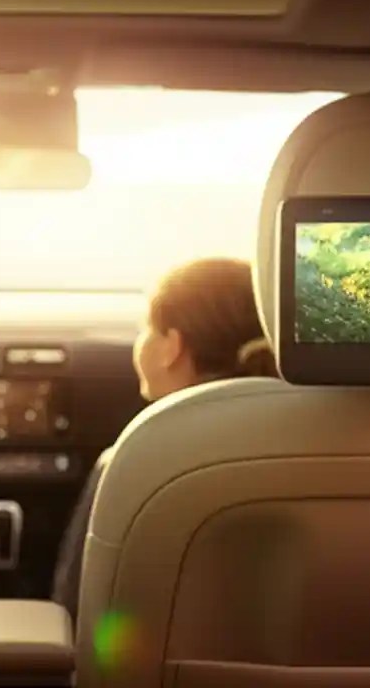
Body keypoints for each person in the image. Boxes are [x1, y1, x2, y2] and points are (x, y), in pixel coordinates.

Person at [50, 257, 279, 617]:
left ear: (172, 346)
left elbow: (78, 610)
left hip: (144, 674)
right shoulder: (304, 448)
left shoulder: (133, 461)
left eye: (146, 329)